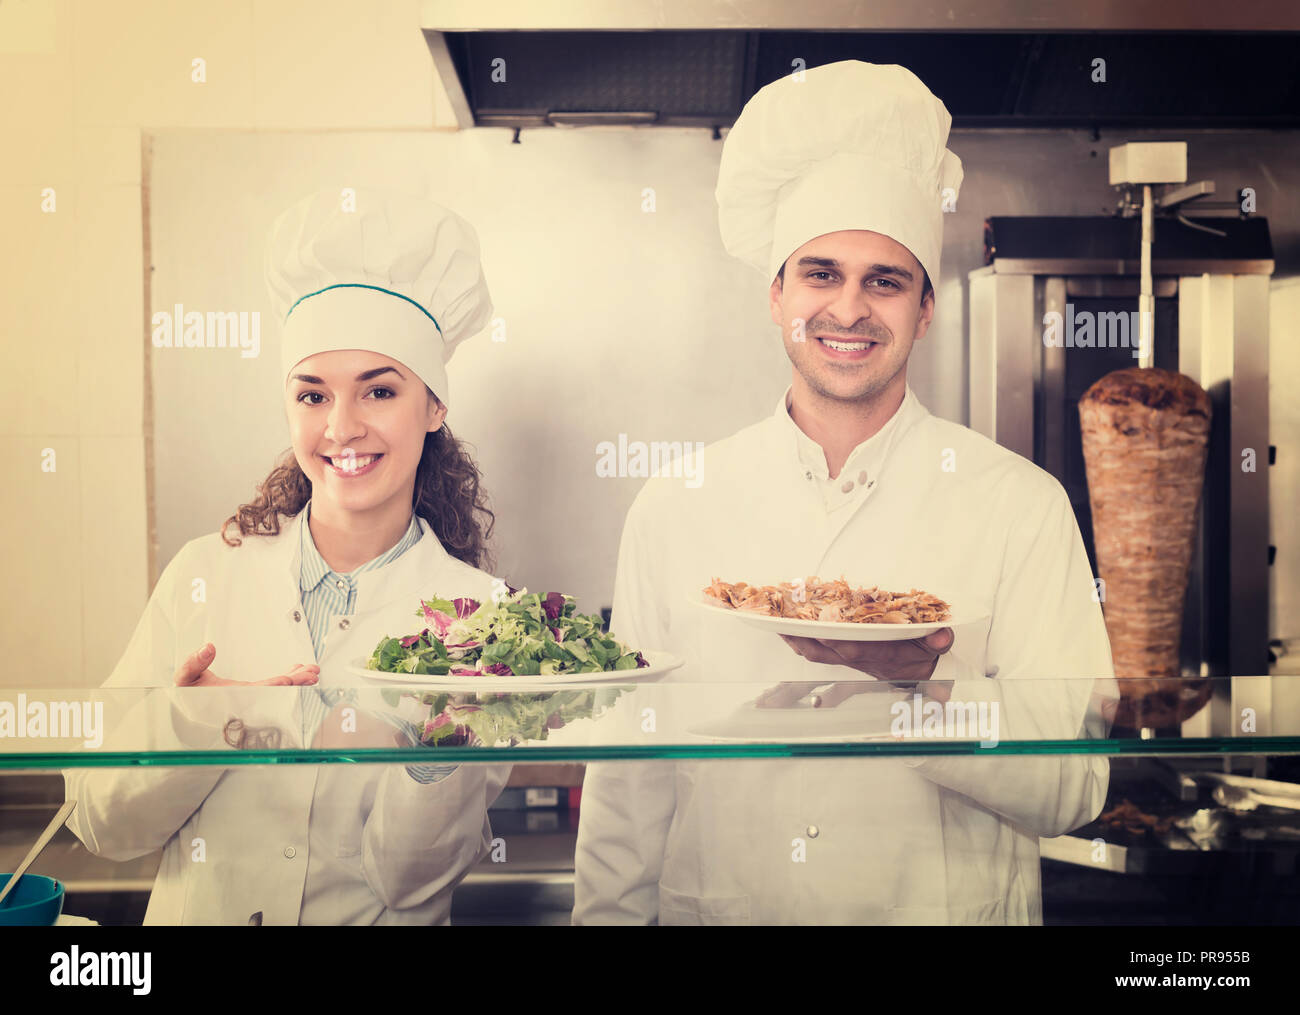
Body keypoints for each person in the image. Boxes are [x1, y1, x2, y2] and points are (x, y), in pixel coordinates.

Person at [573, 61, 1116, 925]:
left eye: (885, 280)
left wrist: (927, 684)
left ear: (926, 308)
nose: (850, 308)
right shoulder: (675, 505)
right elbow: (627, 799)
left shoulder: (1021, 503)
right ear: (777, 294)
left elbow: (1078, 784)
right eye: (821, 274)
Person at [64, 187, 512, 925]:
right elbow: (100, 826)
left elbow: (409, 882)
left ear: (434, 406)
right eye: (312, 396)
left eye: (379, 389)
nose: (342, 427)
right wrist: (194, 724)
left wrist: (437, 757)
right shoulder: (205, 574)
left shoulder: (479, 620)